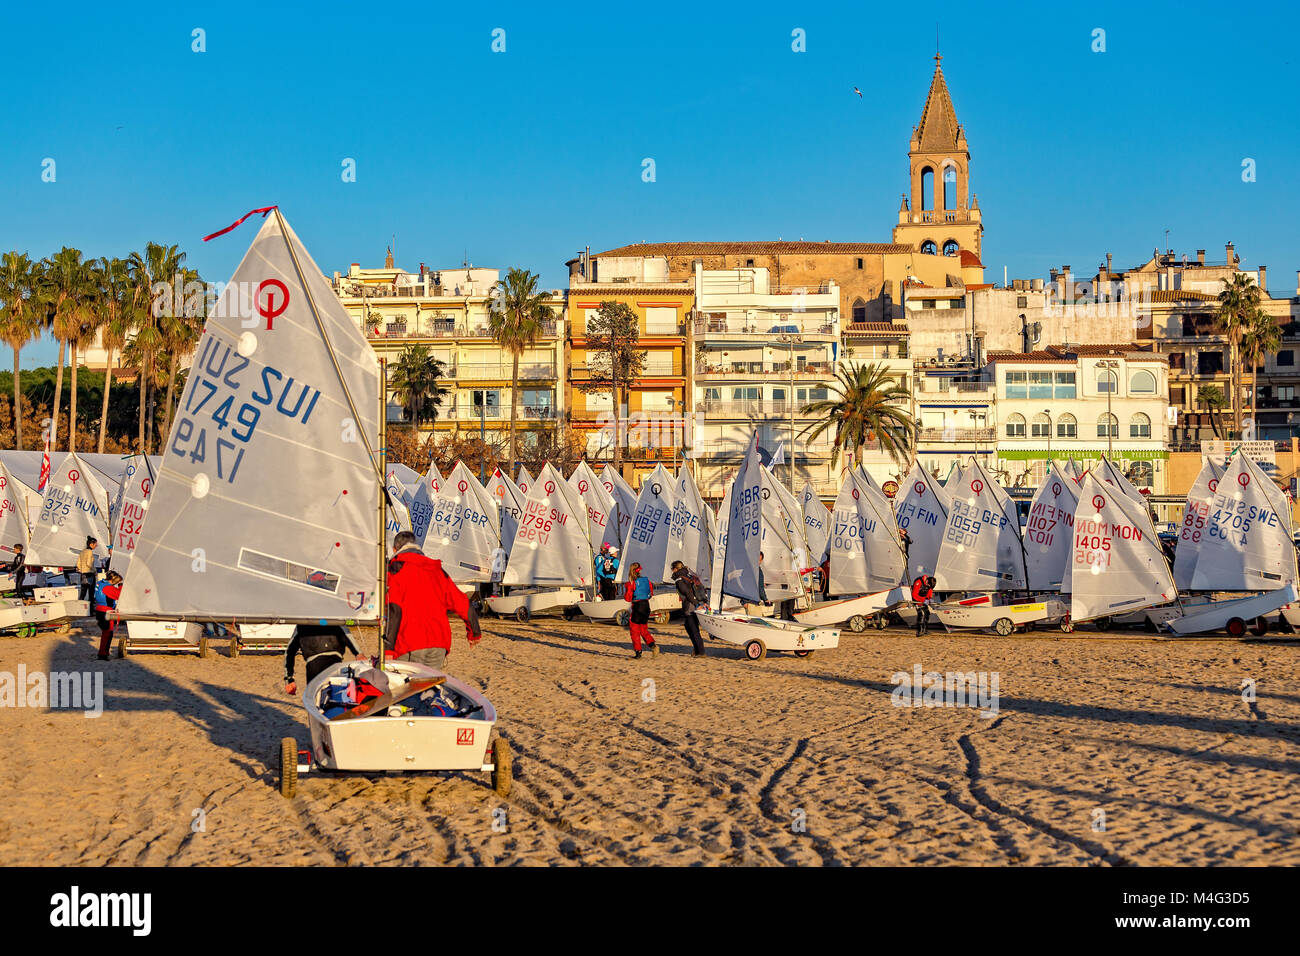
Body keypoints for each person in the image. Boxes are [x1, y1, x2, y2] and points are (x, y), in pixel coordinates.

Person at [385, 530, 481, 670]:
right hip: (438, 645)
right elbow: (463, 604)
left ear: (395, 549)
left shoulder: (394, 569)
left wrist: (388, 649)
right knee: (429, 690)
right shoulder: (437, 570)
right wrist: (474, 633)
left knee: (406, 689)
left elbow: (394, 610)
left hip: (409, 644)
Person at [283, 624, 364, 696]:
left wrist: (289, 679)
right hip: (320, 665)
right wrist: (289, 679)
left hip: (326, 665)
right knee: (325, 700)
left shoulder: (303, 623)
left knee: (325, 700)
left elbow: (289, 652)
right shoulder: (302, 623)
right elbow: (290, 651)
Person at [623, 561, 658, 658]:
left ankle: (638, 652)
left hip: (637, 606)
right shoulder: (647, 581)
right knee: (643, 629)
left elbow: (628, 598)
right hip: (646, 606)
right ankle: (652, 645)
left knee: (634, 630)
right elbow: (650, 594)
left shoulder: (631, 583)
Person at [670, 560, 705, 657]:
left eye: (672, 569)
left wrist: (697, 604)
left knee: (693, 629)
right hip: (694, 603)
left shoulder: (679, 579)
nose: (672, 571)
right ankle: (697, 650)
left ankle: (700, 652)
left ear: (676, 569)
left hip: (690, 605)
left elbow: (687, 593)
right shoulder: (688, 575)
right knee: (689, 626)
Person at [93, 571, 124, 660]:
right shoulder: (107, 587)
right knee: (108, 634)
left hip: (99, 610)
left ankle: (102, 653)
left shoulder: (100, 583)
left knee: (105, 633)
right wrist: (121, 586)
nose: (117, 583)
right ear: (113, 580)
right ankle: (103, 654)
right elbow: (118, 595)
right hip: (106, 612)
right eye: (117, 582)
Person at [77, 537, 98, 604]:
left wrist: (81, 569)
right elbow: (89, 563)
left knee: (83, 594)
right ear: (91, 544)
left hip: (83, 575)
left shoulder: (82, 552)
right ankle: (90, 610)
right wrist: (95, 570)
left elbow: (78, 564)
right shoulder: (90, 552)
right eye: (95, 544)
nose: (96, 546)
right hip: (90, 575)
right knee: (91, 594)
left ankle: (79, 608)